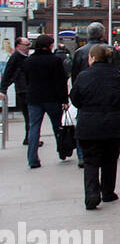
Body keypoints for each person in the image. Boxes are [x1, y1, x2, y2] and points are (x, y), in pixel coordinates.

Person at [69, 44, 120, 210]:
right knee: (110, 159)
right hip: (112, 122)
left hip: (89, 123)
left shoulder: (83, 76)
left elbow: (75, 98)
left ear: (93, 58)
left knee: (90, 161)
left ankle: (91, 194)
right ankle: (108, 192)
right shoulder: (117, 75)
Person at [23, 35, 71, 169]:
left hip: (34, 98)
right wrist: (64, 99)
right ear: (48, 45)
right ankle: (62, 151)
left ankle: (32, 159)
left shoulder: (29, 61)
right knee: (58, 127)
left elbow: (27, 79)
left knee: (34, 128)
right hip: (52, 99)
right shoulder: (55, 60)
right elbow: (61, 81)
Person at [1, 35, 35, 145]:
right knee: (29, 114)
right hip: (23, 90)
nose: (28, 47)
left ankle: (29, 137)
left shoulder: (24, 57)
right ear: (19, 46)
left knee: (29, 115)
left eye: (29, 45)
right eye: (26, 45)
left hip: (26, 89)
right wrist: (3, 89)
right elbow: (8, 73)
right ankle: (29, 137)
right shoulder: (16, 57)